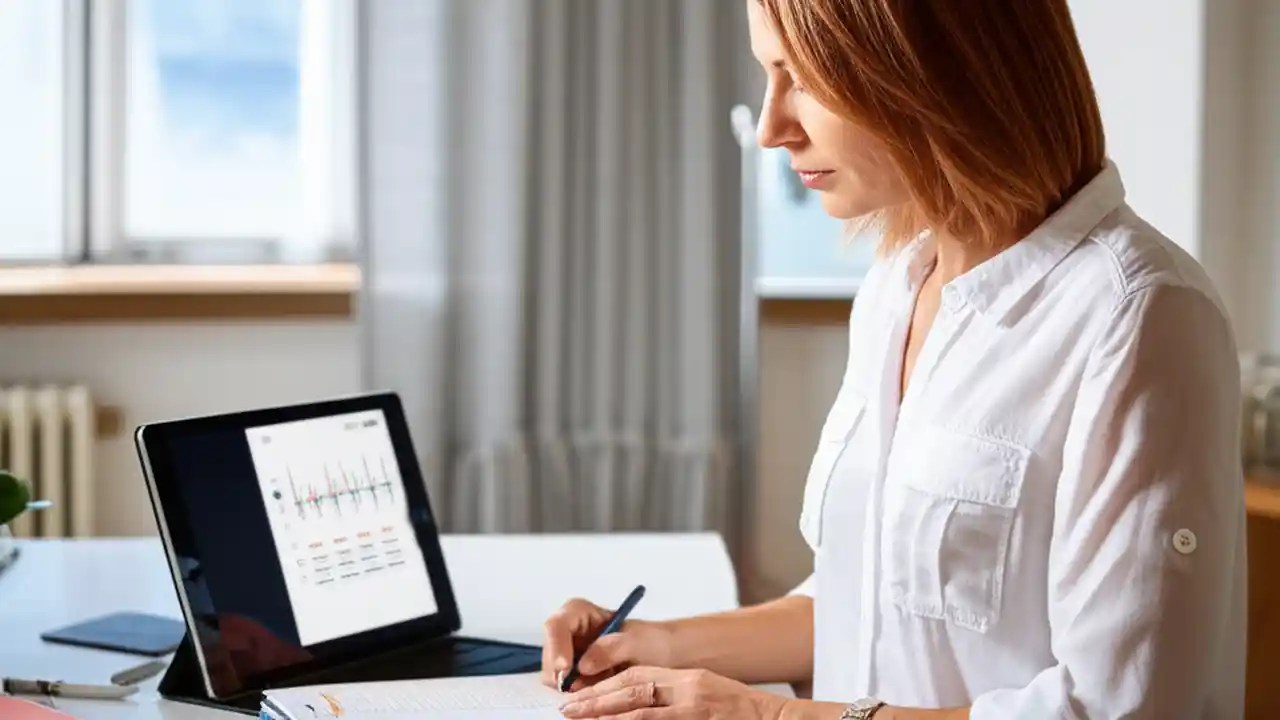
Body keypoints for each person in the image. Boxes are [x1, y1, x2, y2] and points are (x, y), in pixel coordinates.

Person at [543, 0, 1248, 718]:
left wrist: (765, 713)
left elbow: (1116, 708)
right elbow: (874, 601)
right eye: (769, 76)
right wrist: (653, 646)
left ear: (932, 72)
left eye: (803, 78)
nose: (770, 128)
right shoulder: (897, 287)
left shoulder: (1139, 316)